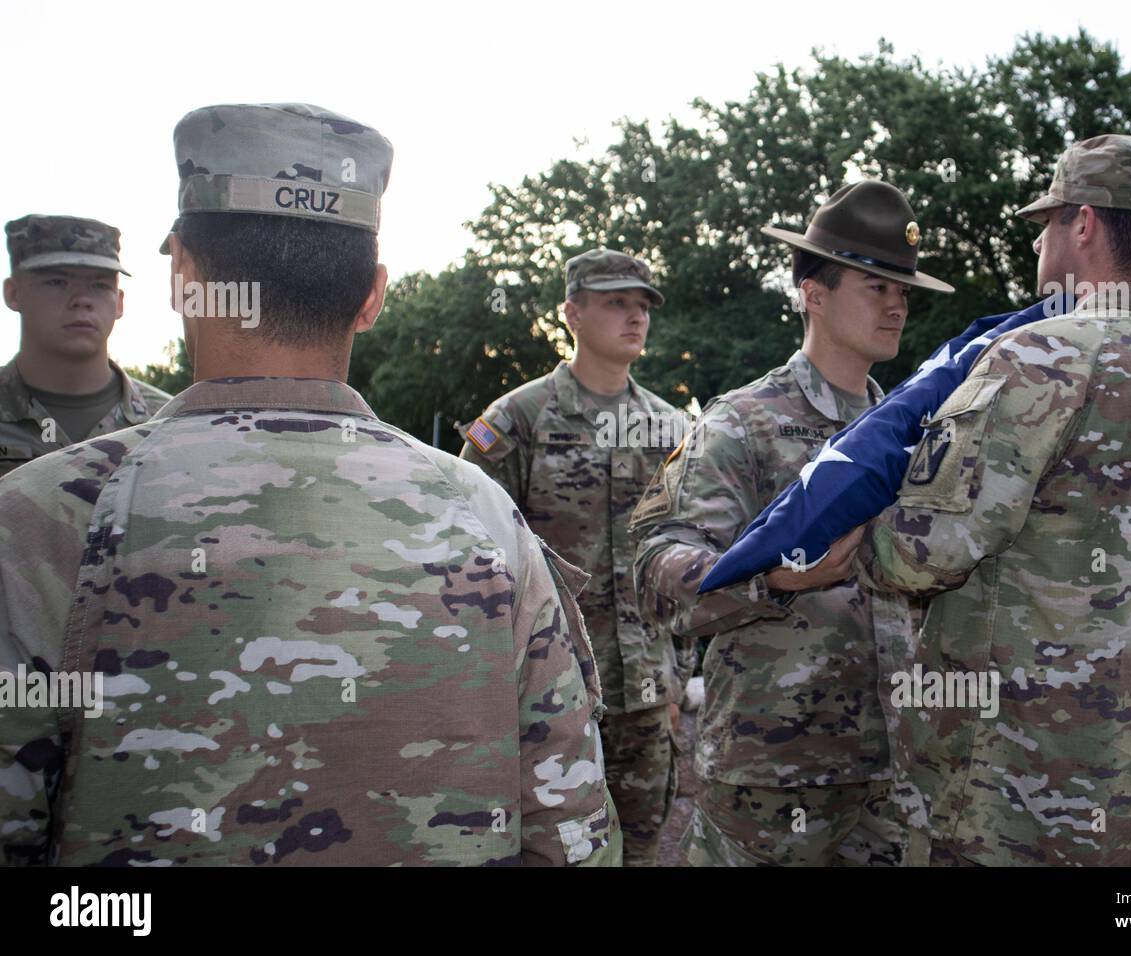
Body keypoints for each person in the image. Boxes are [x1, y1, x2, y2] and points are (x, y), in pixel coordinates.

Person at [0, 102, 618, 867]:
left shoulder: (40, 518)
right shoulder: (484, 516)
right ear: (373, 296)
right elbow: (572, 834)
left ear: (184, 277)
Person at [855, 134, 1131, 866]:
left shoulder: (1040, 355)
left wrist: (842, 537)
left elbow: (919, 555)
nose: (1039, 241)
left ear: (1084, 224)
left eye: (1046, 222)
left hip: (1019, 795)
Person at [631, 180, 953, 865]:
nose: (898, 303)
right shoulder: (741, 422)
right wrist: (772, 578)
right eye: (876, 285)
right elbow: (656, 574)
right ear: (813, 292)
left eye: (904, 289)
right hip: (772, 784)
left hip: (890, 780)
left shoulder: (913, 435)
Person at [460, 248, 685, 865]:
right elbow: (471, 552)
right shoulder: (516, 421)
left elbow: (686, 559)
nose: (635, 316)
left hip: (643, 687)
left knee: (640, 847)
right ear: (573, 313)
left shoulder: (670, 430)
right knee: (550, 847)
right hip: (545, 686)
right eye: (616, 302)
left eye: (642, 305)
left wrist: (677, 676)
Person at [0, 215, 171, 477]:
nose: (82, 300)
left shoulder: (165, 422)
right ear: (13, 293)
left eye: (100, 285)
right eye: (57, 282)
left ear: (119, 302)